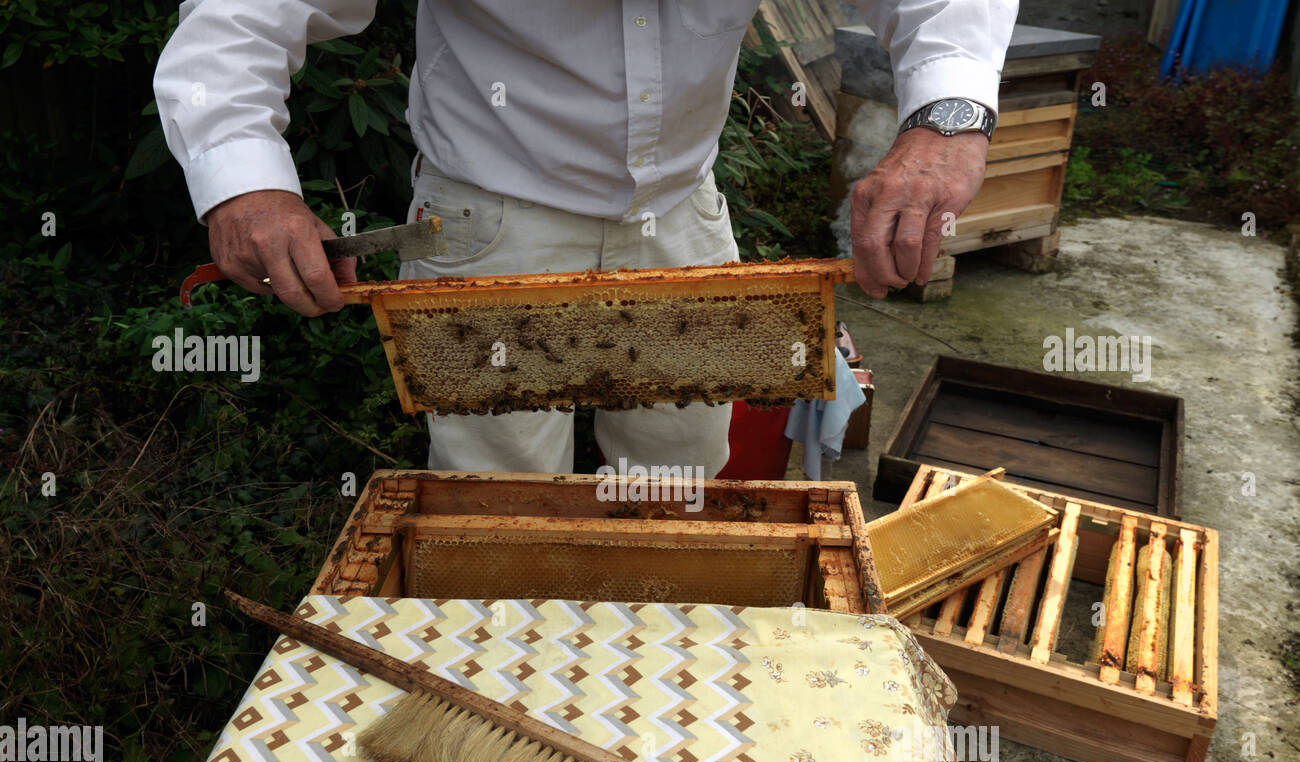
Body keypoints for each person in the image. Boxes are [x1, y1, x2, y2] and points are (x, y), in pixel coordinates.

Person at [155, 1, 1015, 474]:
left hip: (682, 208)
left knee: (677, 498)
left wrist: (946, 118)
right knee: (494, 516)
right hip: (490, 220)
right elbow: (244, 15)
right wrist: (245, 180)